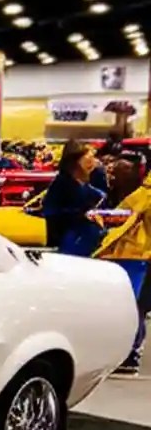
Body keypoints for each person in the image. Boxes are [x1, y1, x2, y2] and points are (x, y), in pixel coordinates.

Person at [92, 158, 151, 374]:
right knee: (137, 307)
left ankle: (130, 353)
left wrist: (100, 247)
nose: (112, 177)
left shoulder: (143, 195)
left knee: (133, 306)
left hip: (136, 257)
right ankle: (130, 353)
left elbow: (121, 222)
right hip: (139, 257)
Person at [41, 139, 107, 256]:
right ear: (74, 162)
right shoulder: (62, 183)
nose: (93, 164)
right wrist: (82, 215)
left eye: (92, 159)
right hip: (68, 241)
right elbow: (51, 211)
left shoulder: (92, 181)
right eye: (87, 160)